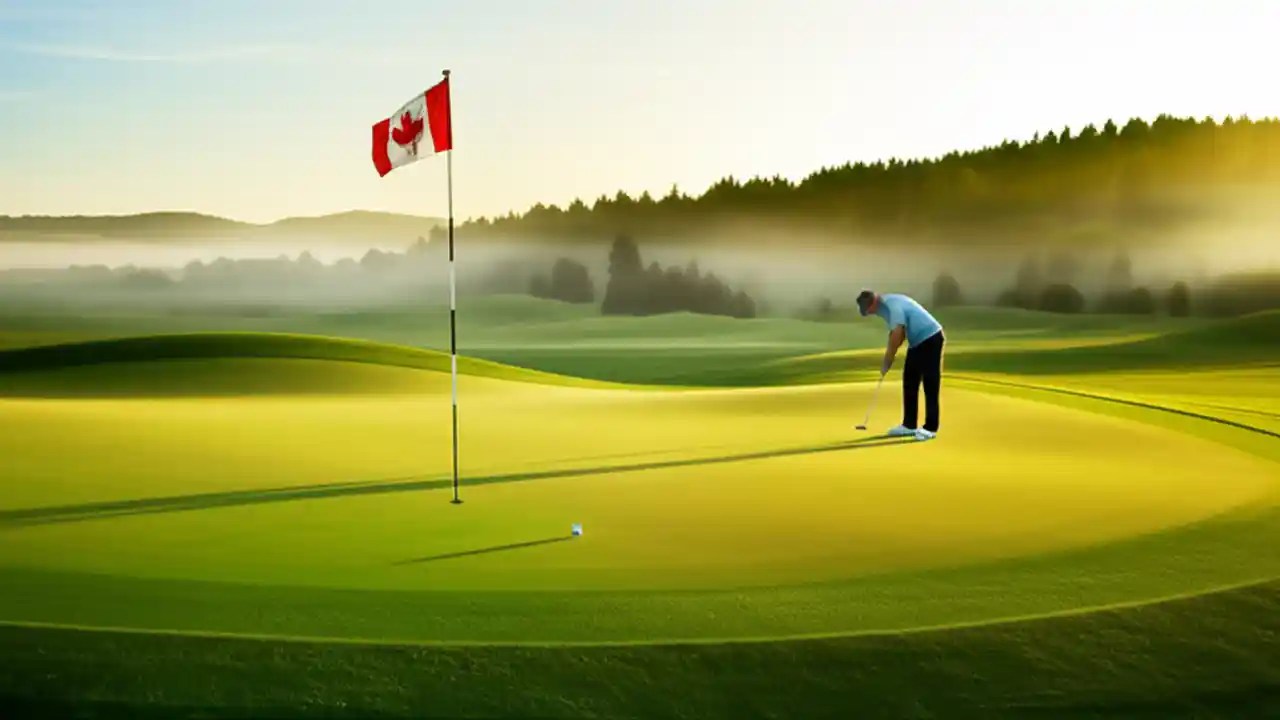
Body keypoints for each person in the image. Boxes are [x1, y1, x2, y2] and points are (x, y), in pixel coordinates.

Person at [856, 290, 946, 441]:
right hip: (916, 342)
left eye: (867, 310)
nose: (869, 313)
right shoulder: (883, 308)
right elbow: (897, 333)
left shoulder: (891, 305)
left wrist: (888, 360)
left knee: (930, 383)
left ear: (872, 304)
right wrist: (888, 358)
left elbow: (898, 333)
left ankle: (931, 427)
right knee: (910, 381)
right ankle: (909, 425)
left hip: (931, 337)